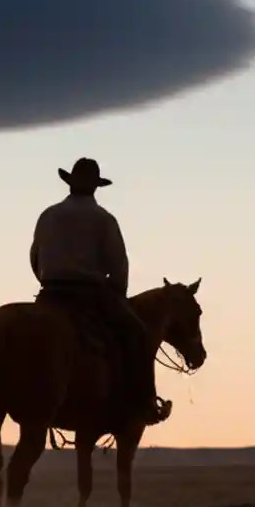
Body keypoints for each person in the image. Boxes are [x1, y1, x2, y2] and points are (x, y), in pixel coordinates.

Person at [29, 157, 171, 427]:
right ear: (96, 187)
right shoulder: (103, 219)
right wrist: (118, 293)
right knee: (137, 333)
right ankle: (145, 404)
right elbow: (118, 266)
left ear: (70, 183)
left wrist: (48, 280)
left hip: (50, 292)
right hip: (89, 294)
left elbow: (36, 258)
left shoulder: (48, 215)